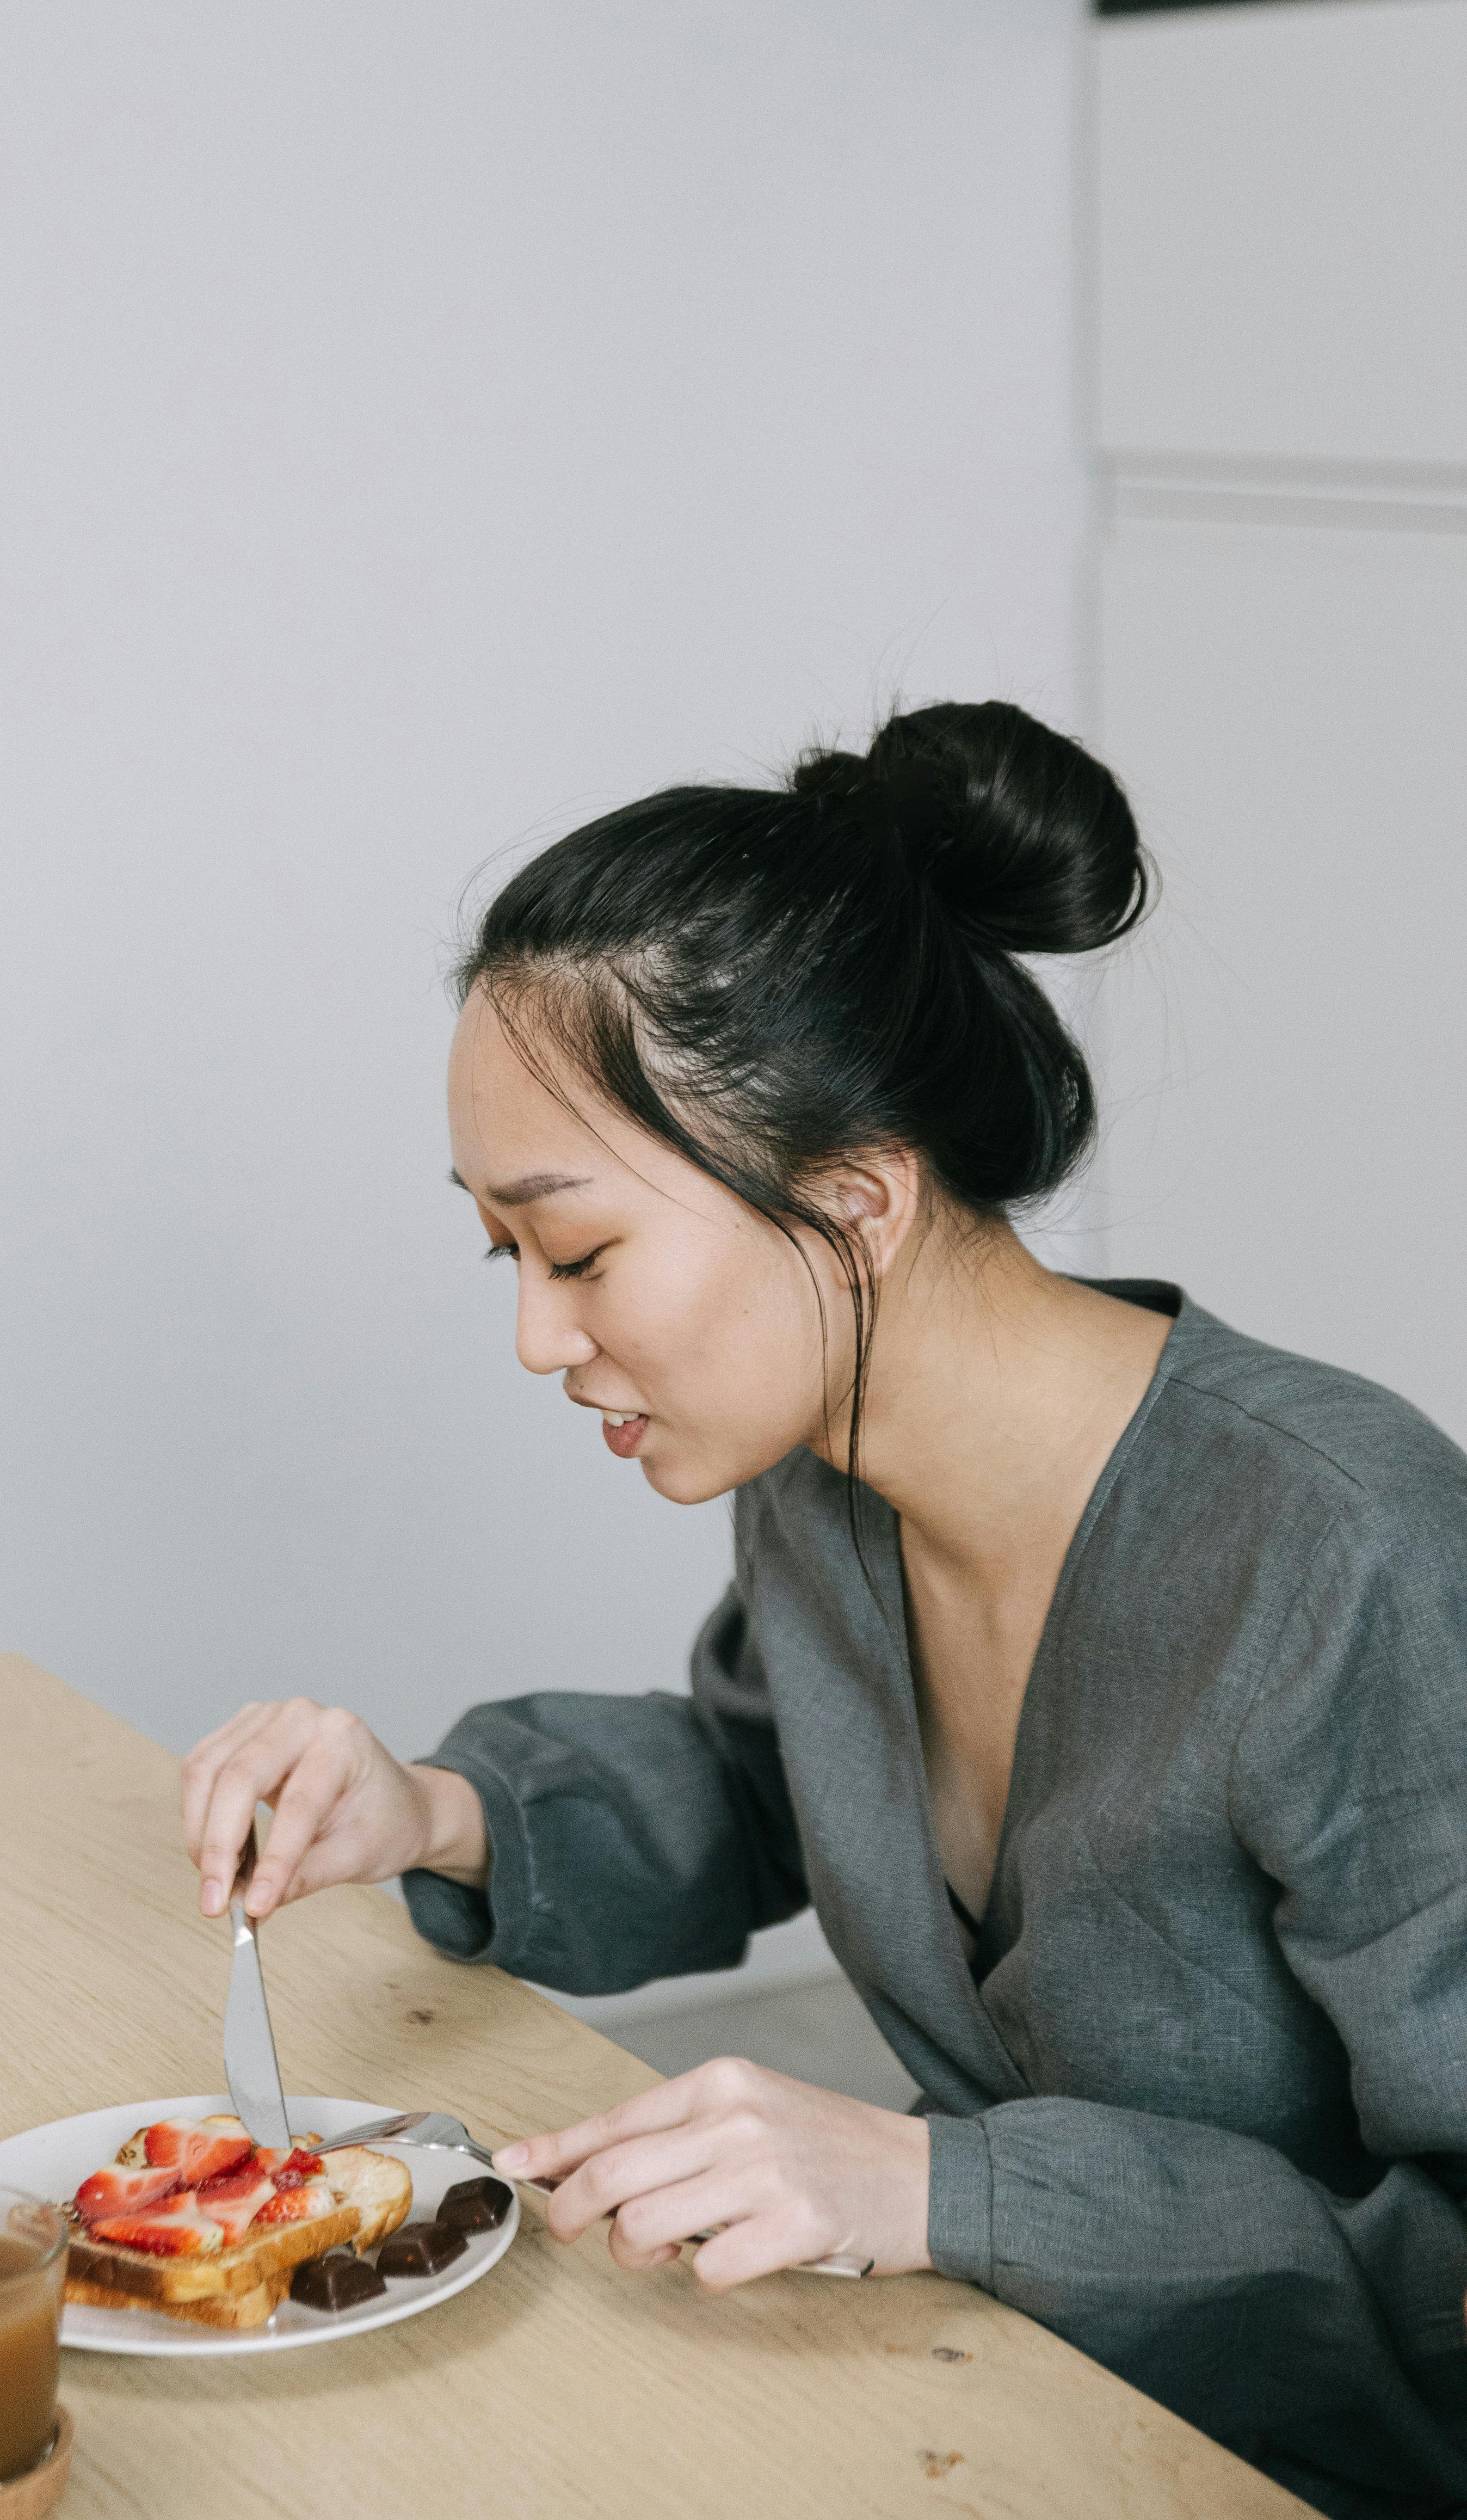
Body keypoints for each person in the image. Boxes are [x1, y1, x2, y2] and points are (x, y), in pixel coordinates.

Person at [179, 700, 1467, 2520]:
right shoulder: (820, 1479)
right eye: (506, 1256)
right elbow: (779, 1784)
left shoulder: (1348, 1550)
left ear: (853, 1204)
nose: (539, 1339)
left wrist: (947, 2190)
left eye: (581, 1253)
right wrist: (436, 1808)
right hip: (994, 2398)